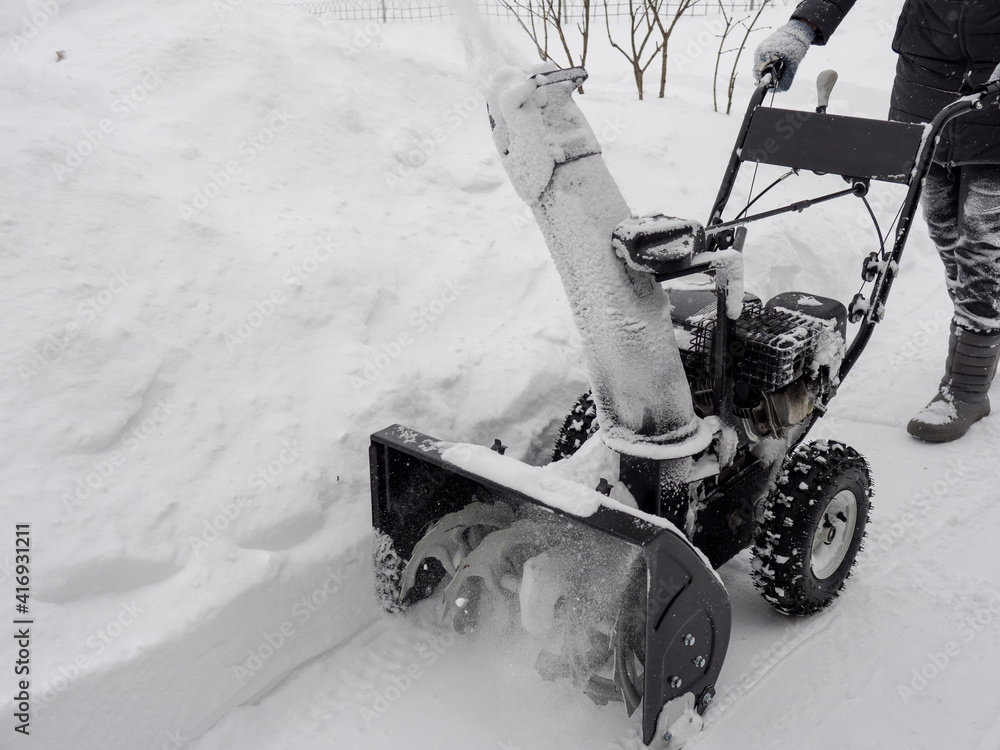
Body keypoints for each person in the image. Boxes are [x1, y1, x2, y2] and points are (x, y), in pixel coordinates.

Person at [752, 1, 1000, 442]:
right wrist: (802, 27)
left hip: (996, 93)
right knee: (945, 232)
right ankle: (985, 326)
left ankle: (965, 388)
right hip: (924, 88)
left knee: (982, 244)